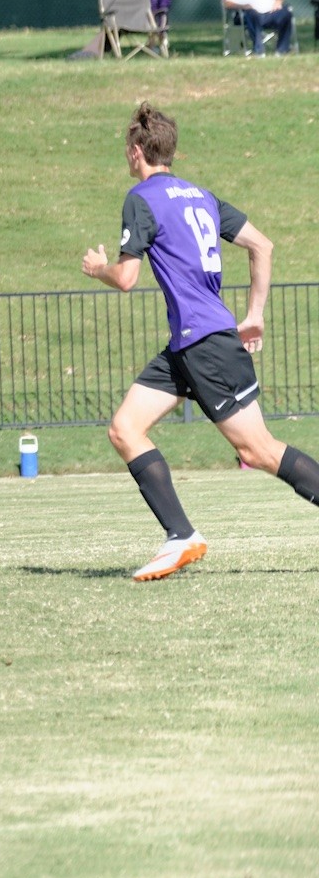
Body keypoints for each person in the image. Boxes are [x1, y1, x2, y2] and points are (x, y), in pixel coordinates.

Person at [80, 104, 319, 581]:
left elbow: (126, 278)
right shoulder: (201, 196)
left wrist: (97, 268)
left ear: (135, 153)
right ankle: (181, 535)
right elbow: (263, 245)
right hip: (190, 345)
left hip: (205, 345)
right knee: (125, 428)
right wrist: (254, 315)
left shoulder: (141, 197)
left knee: (259, 452)